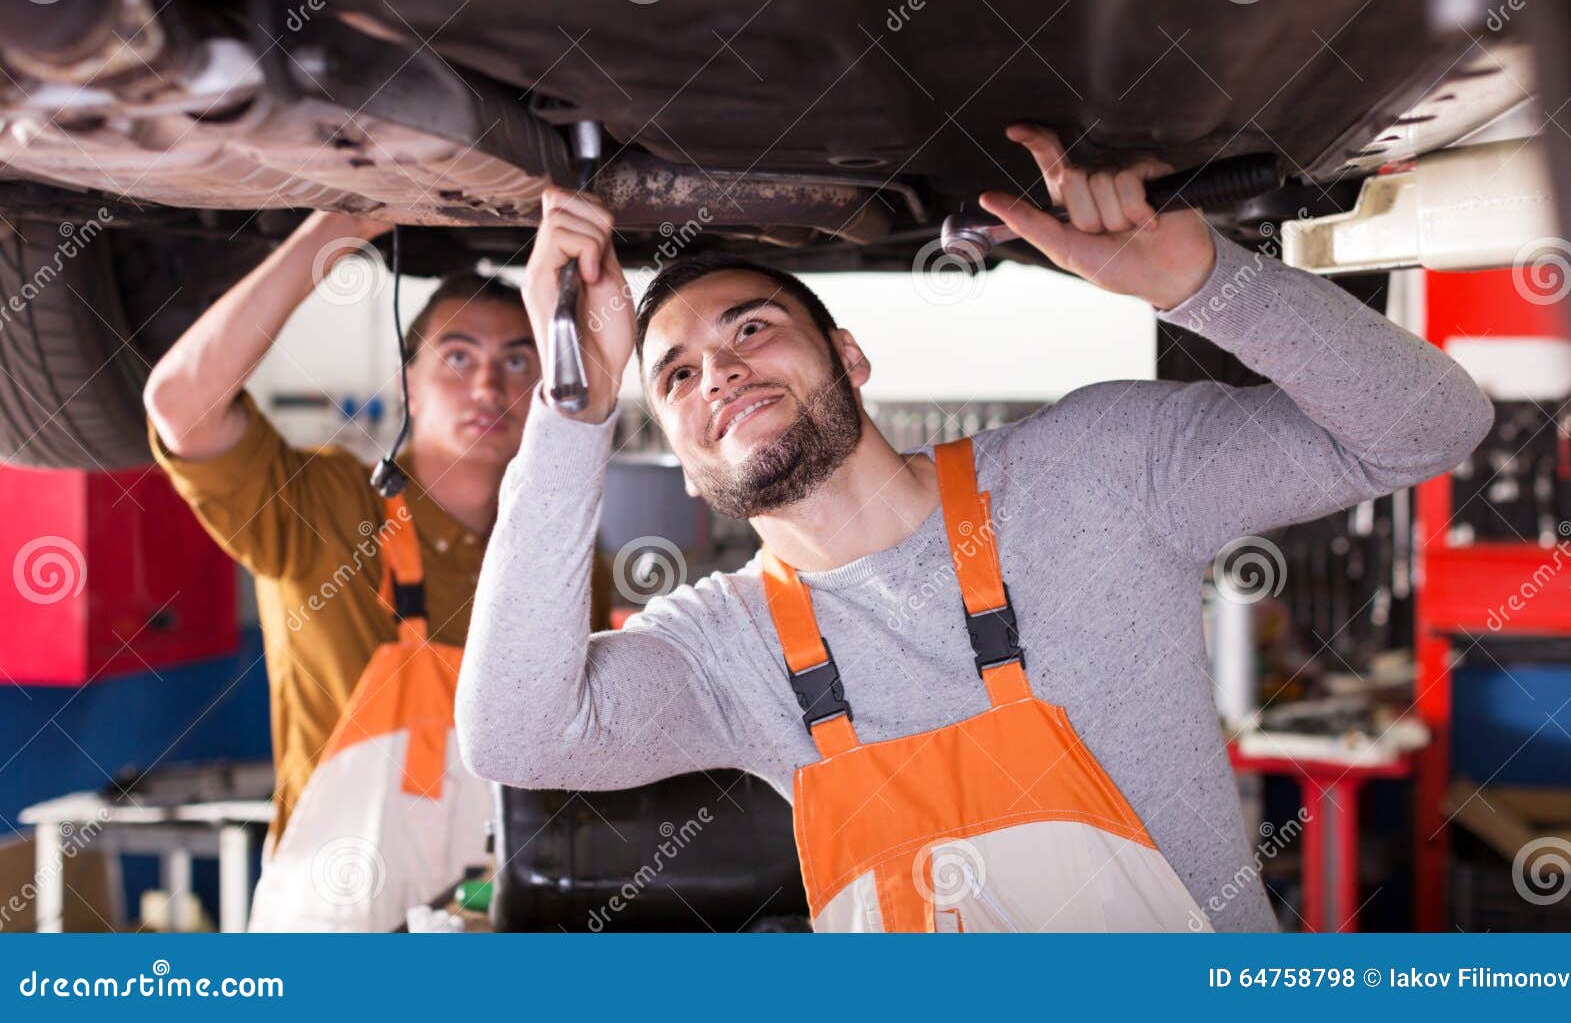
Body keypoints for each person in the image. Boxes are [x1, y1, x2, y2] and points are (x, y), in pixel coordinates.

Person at [456, 124, 1494, 932]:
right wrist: (571, 406)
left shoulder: (1094, 470)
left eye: (752, 328)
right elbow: (513, 734)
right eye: (674, 374)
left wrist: (1208, 283)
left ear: (850, 358)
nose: (716, 371)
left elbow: (1429, 428)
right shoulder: (721, 648)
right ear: (679, 450)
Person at [144, 210, 610, 930]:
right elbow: (181, 402)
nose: (489, 382)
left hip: (501, 921)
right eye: (457, 356)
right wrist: (341, 223)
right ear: (409, 383)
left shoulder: (566, 556)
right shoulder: (330, 507)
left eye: (520, 361)